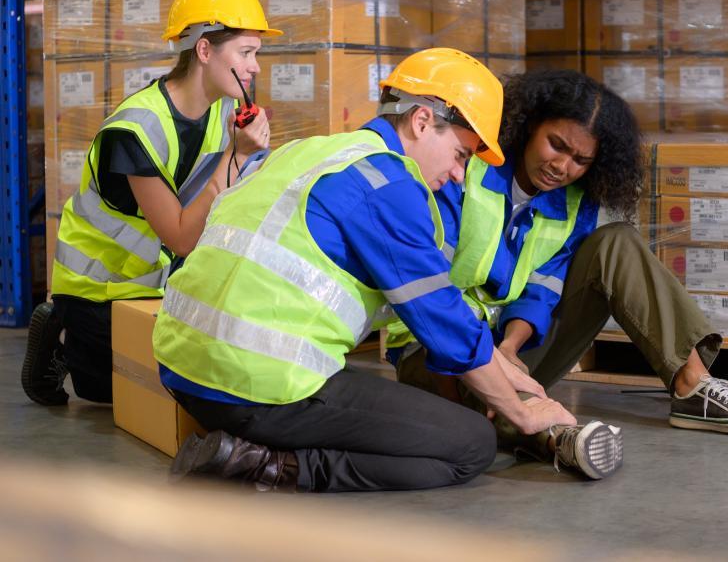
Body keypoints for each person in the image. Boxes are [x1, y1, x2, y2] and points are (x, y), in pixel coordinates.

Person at [152, 48, 621, 494]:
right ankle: (269, 466)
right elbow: (442, 324)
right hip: (259, 386)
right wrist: (522, 415)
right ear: (421, 121)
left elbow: (448, 310)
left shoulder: (315, 151)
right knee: (471, 444)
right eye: (461, 154)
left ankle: (245, 448)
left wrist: (514, 374)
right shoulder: (388, 185)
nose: (460, 174)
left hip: (183, 373)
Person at [387, 70, 728, 454]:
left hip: (504, 349)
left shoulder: (574, 203)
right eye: (556, 145)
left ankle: (693, 386)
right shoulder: (463, 168)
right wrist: (490, 365)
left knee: (617, 241)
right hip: (436, 352)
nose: (563, 167)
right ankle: (557, 438)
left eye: (581, 160)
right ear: (529, 126)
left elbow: (542, 289)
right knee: (489, 407)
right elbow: (429, 295)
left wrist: (509, 348)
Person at [21, 0, 280, 406]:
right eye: (246, 53)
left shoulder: (222, 115)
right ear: (203, 50)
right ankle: (59, 330)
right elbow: (179, 234)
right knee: (112, 393)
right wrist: (233, 158)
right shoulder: (135, 130)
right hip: (101, 287)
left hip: (163, 280)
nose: (255, 66)